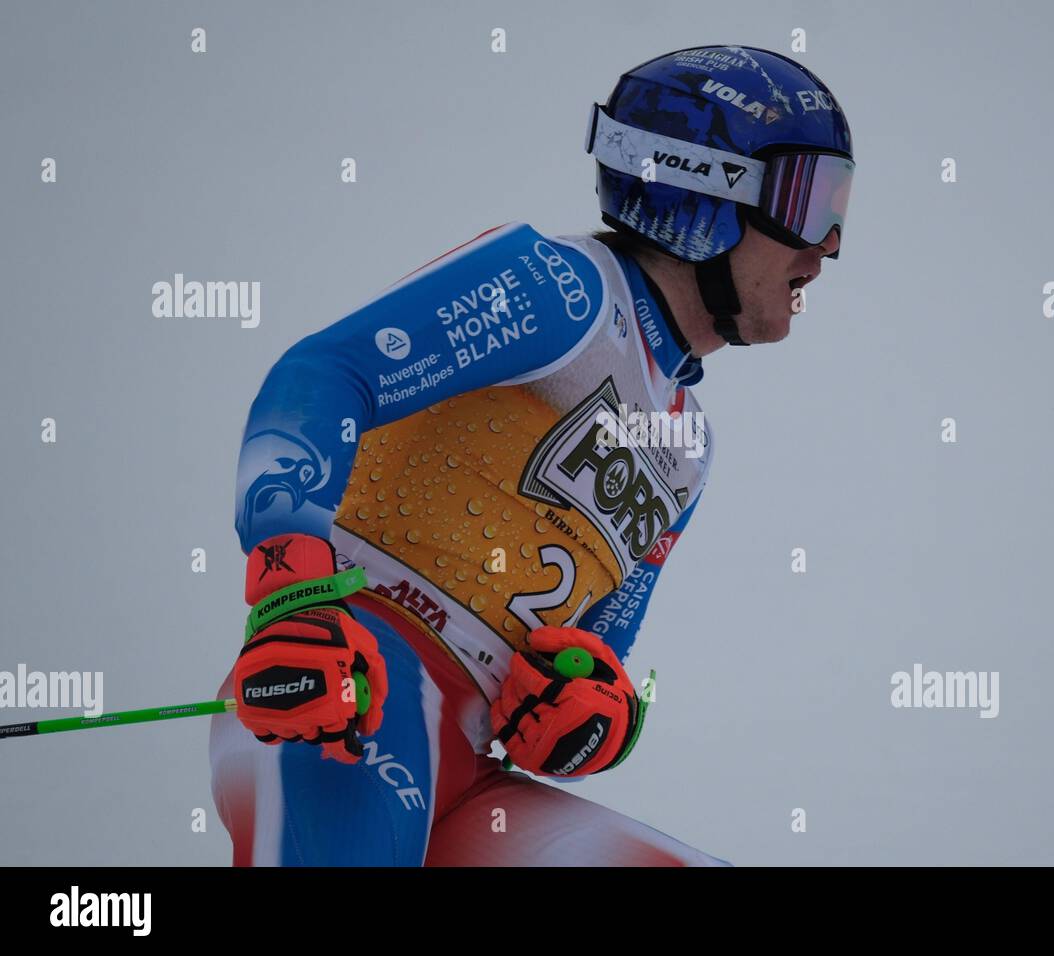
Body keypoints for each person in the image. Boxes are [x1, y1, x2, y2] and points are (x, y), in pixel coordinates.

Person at [209, 44, 853, 866]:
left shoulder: (689, 446)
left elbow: (598, 654)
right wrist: (290, 594)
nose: (826, 246)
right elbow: (325, 374)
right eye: (807, 201)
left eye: (840, 205)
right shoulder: (565, 290)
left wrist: (593, 704)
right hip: (352, 699)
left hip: (469, 769)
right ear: (707, 192)